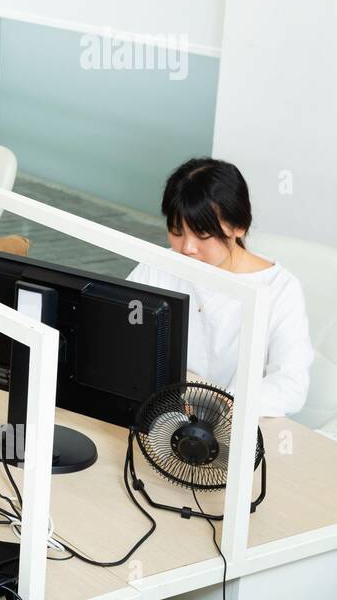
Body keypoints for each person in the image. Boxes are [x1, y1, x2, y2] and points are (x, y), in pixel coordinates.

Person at [127, 157, 313, 418]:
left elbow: (290, 385)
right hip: (163, 417)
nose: (187, 248)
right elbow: (122, 336)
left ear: (239, 226)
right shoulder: (160, 265)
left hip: (235, 428)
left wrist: (224, 403)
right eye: (176, 231)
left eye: (202, 234)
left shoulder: (279, 289)